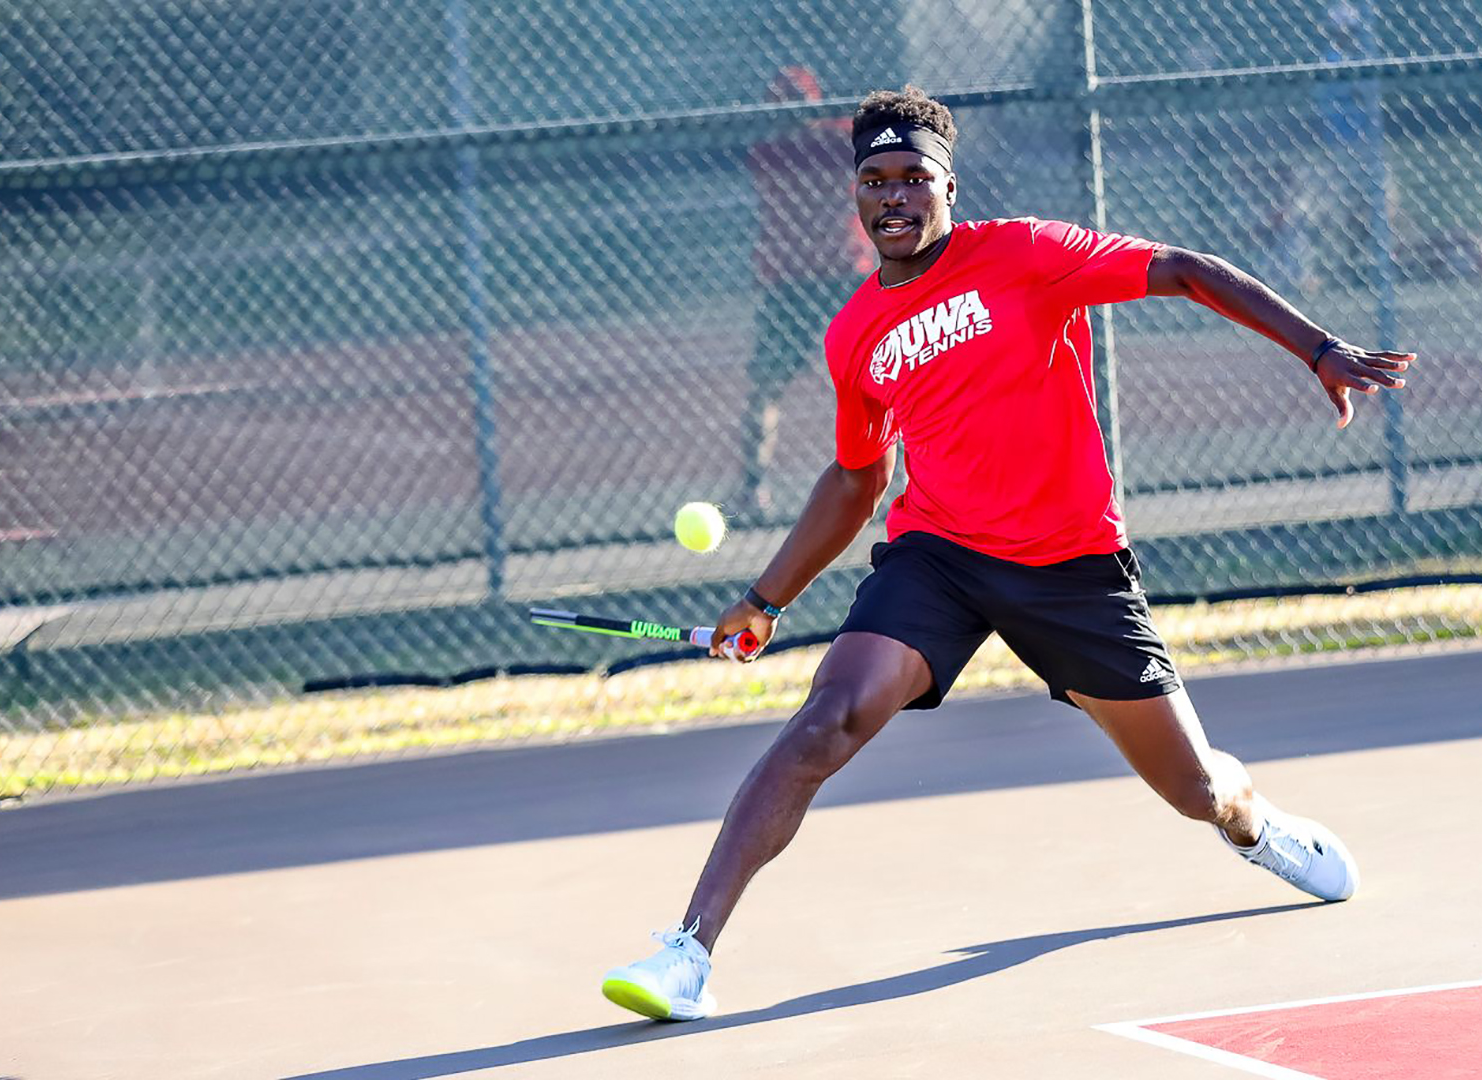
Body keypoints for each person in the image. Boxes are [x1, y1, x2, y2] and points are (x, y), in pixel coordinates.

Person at [600, 86, 1415, 1022]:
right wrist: (764, 599)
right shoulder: (852, 332)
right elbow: (857, 481)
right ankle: (688, 953)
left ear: (951, 187)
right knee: (826, 717)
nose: (894, 197)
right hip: (939, 556)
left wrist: (1315, 350)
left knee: (1194, 789)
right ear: (856, 196)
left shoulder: (1025, 255)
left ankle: (1254, 822)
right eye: (876, 181)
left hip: (1071, 567)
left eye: (915, 178)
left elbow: (1185, 269)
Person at [740, 66, 877, 518]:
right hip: (791, 279)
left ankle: (898, 484)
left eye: (798, 103)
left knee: (878, 382)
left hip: (840, 272)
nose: (791, 114)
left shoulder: (840, 139)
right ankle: (752, 490)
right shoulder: (770, 149)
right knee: (765, 385)